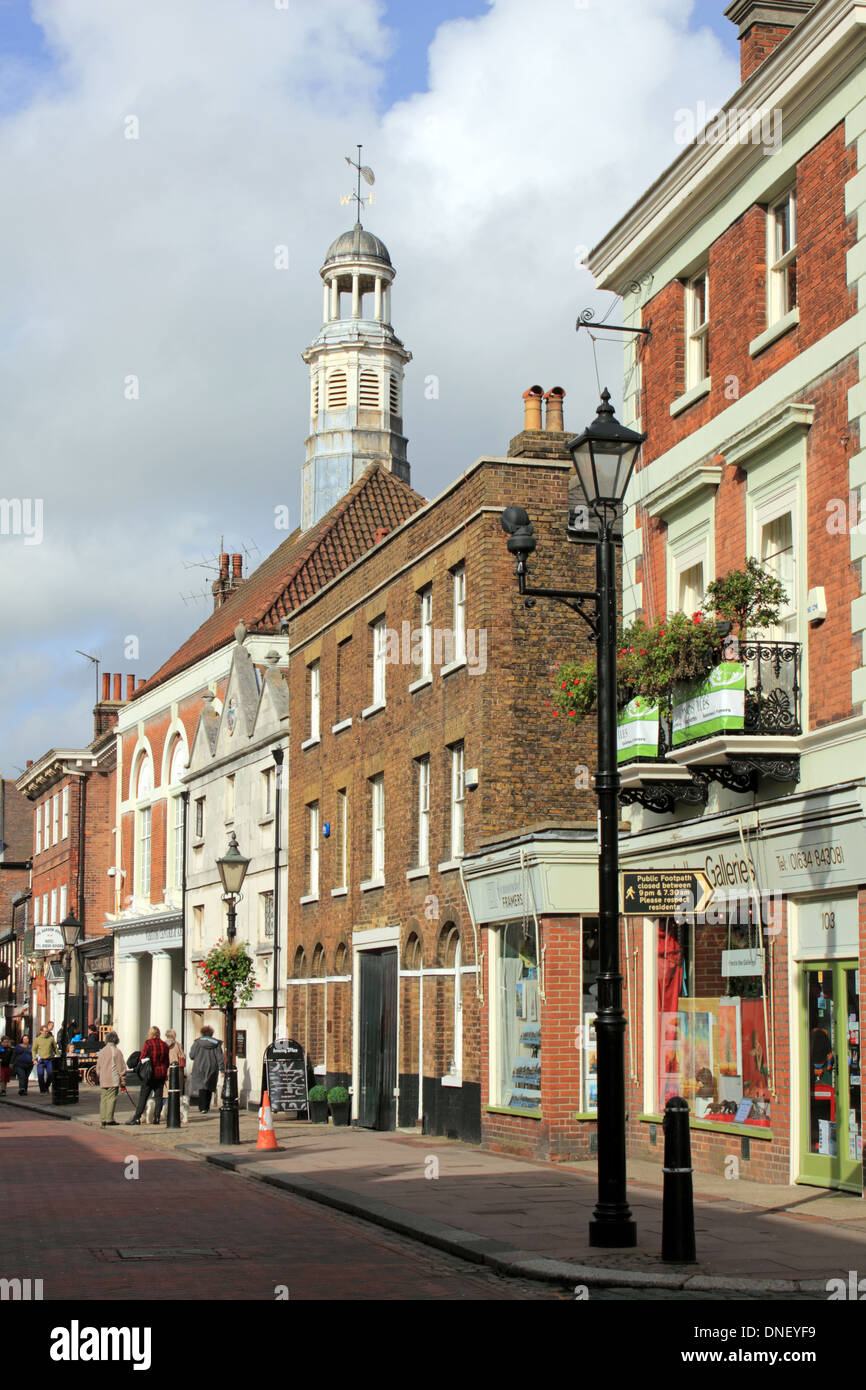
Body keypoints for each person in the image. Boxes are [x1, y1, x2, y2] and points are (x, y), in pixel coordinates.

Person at [126, 1025, 170, 1126]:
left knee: (143, 1097)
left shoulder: (148, 1043)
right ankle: (157, 1118)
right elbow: (167, 1062)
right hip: (161, 1074)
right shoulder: (164, 1045)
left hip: (149, 1074)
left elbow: (142, 1057)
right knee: (159, 1097)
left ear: (151, 1033)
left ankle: (137, 1118)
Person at [188, 1025, 224, 1114]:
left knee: (202, 1087)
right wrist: (222, 1069)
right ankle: (206, 1106)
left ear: (202, 1033)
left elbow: (192, 1055)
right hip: (212, 1067)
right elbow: (220, 1057)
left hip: (199, 1067)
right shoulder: (216, 1043)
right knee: (209, 1086)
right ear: (211, 1034)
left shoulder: (197, 1042)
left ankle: (202, 1107)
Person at [96, 1031, 127, 1126]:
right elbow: (121, 1067)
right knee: (111, 1098)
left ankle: (103, 1118)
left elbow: (98, 1066)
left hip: (103, 1078)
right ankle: (109, 1119)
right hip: (112, 1078)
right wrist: (123, 1079)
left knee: (104, 1098)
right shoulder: (116, 1051)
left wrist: (100, 1075)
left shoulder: (102, 1051)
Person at [32, 1024, 58, 1094]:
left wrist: (58, 1055)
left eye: (47, 1031)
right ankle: (42, 1090)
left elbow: (55, 1048)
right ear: (41, 1031)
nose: (46, 1033)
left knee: (51, 1074)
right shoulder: (37, 1039)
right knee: (40, 1075)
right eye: (44, 1031)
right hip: (40, 1060)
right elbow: (34, 1050)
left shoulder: (51, 1038)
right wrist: (34, 1059)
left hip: (49, 1059)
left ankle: (46, 1086)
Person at [165, 1028, 186, 1095]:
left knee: (166, 1089)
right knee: (176, 1089)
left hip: (166, 1068)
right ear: (174, 1036)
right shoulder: (178, 1045)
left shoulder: (163, 1044)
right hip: (176, 1069)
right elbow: (182, 1056)